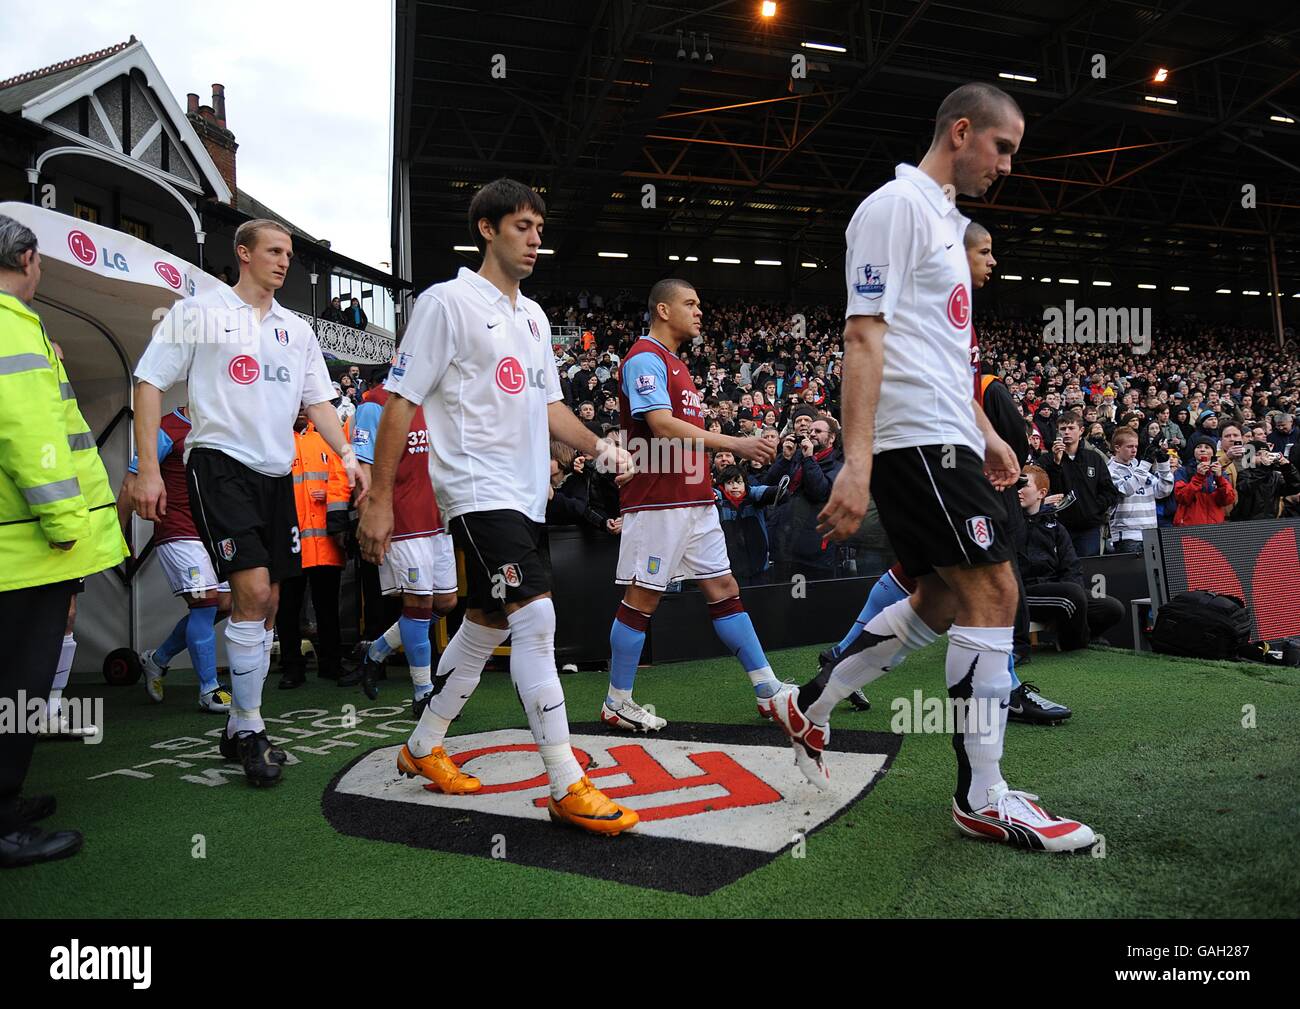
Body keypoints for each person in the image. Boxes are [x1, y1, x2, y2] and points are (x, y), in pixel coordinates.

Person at [786, 82, 1095, 851]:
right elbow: (864, 337)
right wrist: (855, 464)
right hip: (914, 441)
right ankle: (981, 797)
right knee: (994, 589)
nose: (1008, 165)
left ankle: (811, 705)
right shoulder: (894, 208)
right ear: (962, 131)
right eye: (1003, 147)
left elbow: (940, 349)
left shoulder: (945, 223)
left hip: (945, 433)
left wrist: (985, 430)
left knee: (935, 599)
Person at [358, 178, 638, 835]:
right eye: (522, 226)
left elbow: (550, 409)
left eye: (541, 227)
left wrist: (601, 447)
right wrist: (378, 498)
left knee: (485, 622)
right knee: (536, 618)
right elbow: (401, 400)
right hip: (477, 491)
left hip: (525, 495)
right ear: (486, 229)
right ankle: (566, 783)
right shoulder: (446, 303)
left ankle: (423, 746)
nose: (536, 238)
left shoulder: (534, 317)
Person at [133, 218, 364, 788]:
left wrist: (348, 454)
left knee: (268, 599)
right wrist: (144, 470)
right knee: (254, 590)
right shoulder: (199, 312)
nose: (285, 262)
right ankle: (254, 728)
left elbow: (319, 403)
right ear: (243, 253)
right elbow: (148, 383)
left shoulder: (296, 329)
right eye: (274, 251)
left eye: (289, 253)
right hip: (219, 465)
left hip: (275, 473)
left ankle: (238, 723)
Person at [0, 214, 129, 867]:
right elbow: (32, 441)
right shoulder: (11, 327)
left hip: (16, 548)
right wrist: (68, 530)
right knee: (16, 684)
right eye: (40, 260)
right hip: (24, 553)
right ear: (26, 259)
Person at [602, 279, 781, 732]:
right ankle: (616, 701)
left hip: (695, 499)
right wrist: (737, 444)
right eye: (690, 303)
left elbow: (658, 440)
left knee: (724, 589)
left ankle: (768, 691)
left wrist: (640, 458)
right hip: (660, 503)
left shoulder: (675, 364)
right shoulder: (645, 358)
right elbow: (661, 426)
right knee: (642, 599)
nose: (700, 311)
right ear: (663, 309)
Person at [350, 378, 460, 709]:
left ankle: (376, 650)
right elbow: (364, 466)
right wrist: (369, 513)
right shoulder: (375, 402)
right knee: (418, 604)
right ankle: (422, 691)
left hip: (437, 516)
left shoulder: (434, 396)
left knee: (446, 603)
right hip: (403, 519)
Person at [118, 405, 234, 711]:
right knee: (206, 601)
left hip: (211, 533)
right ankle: (209, 690)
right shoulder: (167, 428)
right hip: (178, 530)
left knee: (224, 604)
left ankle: (156, 660)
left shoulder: (222, 423)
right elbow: (131, 484)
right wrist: (119, 535)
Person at [275, 408, 351, 687]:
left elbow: (342, 480)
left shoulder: (327, 440)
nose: (302, 410)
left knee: (327, 608)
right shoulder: (276, 440)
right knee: (289, 609)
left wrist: (329, 493)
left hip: (324, 542)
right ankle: (292, 666)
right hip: (291, 542)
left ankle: (331, 664)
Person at [1017, 466, 1125, 650]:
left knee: (1112, 608)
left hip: (1058, 589)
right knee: (1072, 595)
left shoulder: (1055, 527)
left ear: (1041, 493)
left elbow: (1071, 566)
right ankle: (1076, 645)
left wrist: (1074, 595)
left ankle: (1074, 633)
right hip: (1022, 593)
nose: (1018, 491)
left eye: (1024, 486)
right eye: (1016, 486)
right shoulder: (1010, 524)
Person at [1038, 409, 1119, 557]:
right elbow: (1045, 490)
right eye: (1063, 429)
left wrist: (1093, 508)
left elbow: (1109, 491)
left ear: (1081, 430)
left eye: (1071, 428)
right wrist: (1056, 463)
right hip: (1059, 527)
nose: (1066, 432)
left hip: (1089, 528)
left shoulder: (1094, 458)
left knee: (1088, 568)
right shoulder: (1046, 460)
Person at [1106, 426, 1174, 553]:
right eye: (1129, 446)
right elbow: (1126, 490)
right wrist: (1146, 462)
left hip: (1150, 533)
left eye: (1136, 446)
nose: (1134, 450)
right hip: (1127, 536)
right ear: (1117, 448)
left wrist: (1163, 465)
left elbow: (1162, 491)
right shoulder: (1109, 471)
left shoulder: (1139, 468)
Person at [1173, 437, 1236, 525]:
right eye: (1198, 447)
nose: (1202, 450)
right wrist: (1198, 477)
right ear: (1194, 451)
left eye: (1207, 447)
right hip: (1190, 528)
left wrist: (1219, 478)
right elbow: (1182, 498)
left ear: (1213, 452)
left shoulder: (1220, 472)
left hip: (1215, 527)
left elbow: (1227, 500)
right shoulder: (1183, 471)